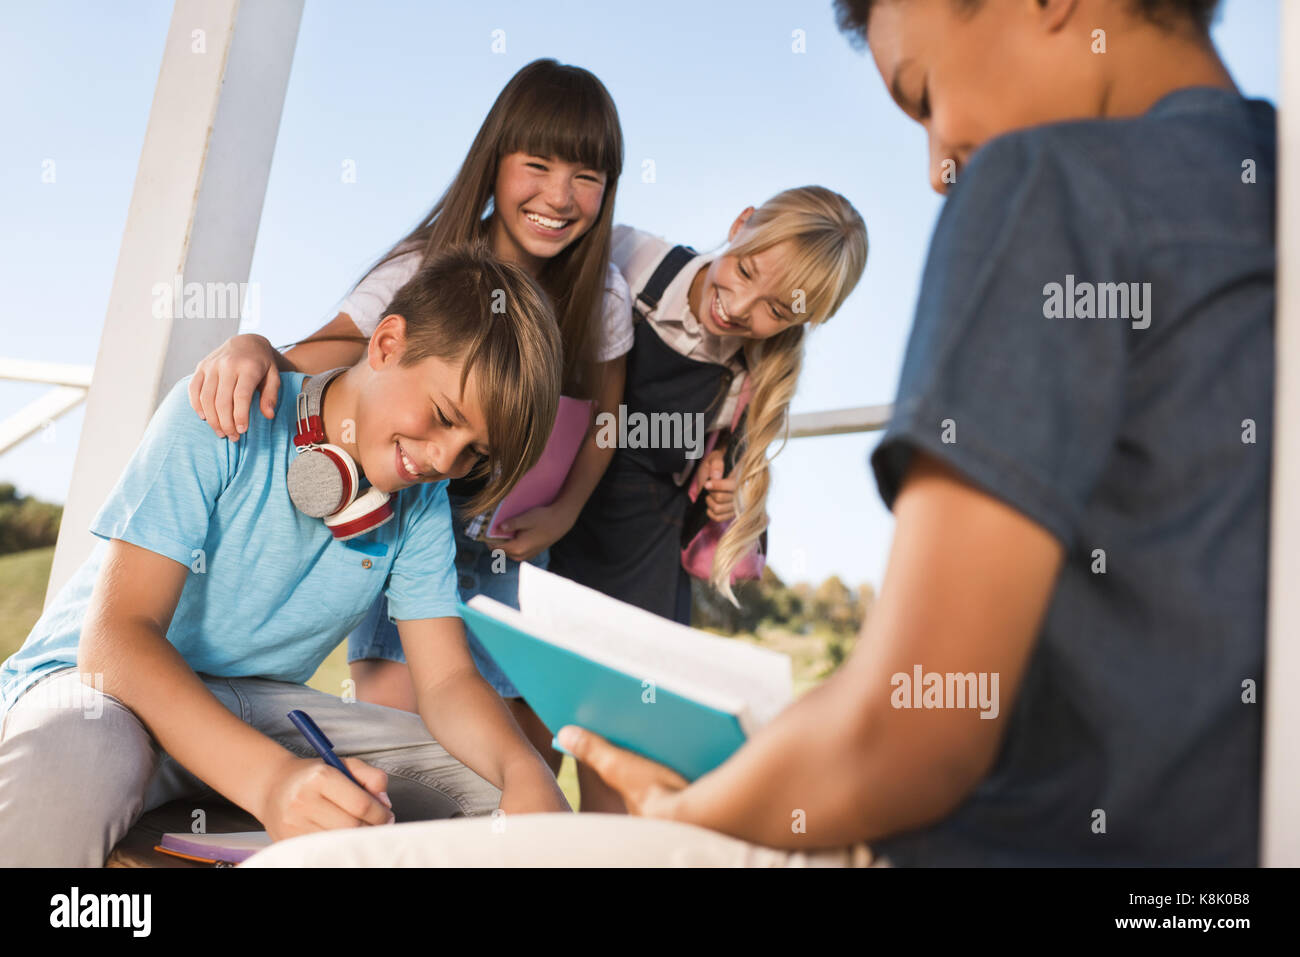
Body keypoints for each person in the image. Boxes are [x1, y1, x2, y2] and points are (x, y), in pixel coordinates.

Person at [242, 0, 1273, 867]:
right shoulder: (1264, 188)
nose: (938, 164)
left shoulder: (1046, 190)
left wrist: (676, 823)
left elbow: (916, 727)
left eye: (923, 94)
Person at [0, 249, 572, 867]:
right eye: (443, 418)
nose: (443, 460)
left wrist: (526, 771)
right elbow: (114, 643)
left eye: (472, 452)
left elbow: (447, 680)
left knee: (500, 790)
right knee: (76, 755)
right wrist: (272, 783)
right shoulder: (220, 414)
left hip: (255, 708)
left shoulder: (423, 501)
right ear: (385, 344)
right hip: (99, 689)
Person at [185, 58, 631, 789]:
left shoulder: (601, 294)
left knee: (523, 761)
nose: (560, 196)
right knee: (408, 749)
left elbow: (607, 419)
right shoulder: (426, 267)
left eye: (587, 177)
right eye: (538, 165)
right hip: (414, 531)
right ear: (495, 162)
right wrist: (258, 347)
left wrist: (562, 512)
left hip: (519, 555)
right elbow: (333, 347)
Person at [549, 187, 868, 625]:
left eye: (775, 310)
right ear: (741, 224)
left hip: (639, 551)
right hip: (544, 493)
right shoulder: (630, 257)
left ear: (807, 320)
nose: (737, 307)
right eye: (745, 270)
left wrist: (723, 481)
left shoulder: (755, 378)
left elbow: (721, 472)